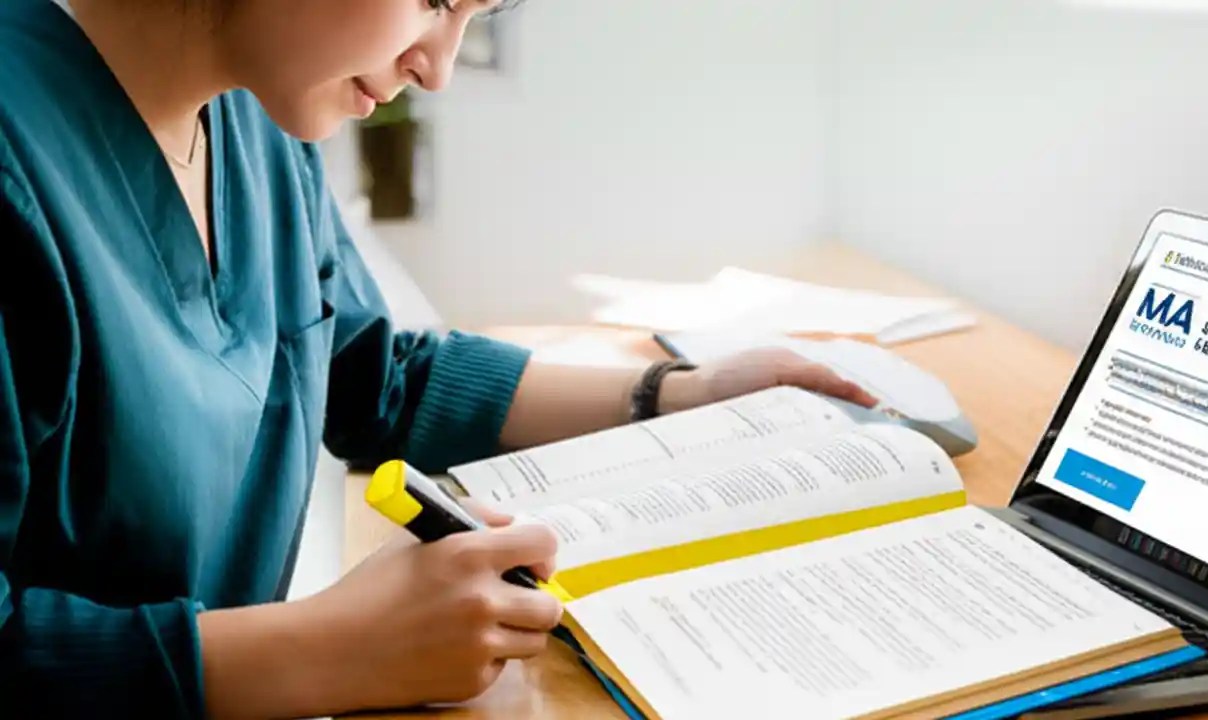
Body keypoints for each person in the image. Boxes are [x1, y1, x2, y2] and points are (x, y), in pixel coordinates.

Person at [0, 0, 877, 716]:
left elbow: (377, 376)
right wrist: (330, 649)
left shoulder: (255, 121)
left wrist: (675, 395)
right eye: (434, 1)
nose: (438, 67)